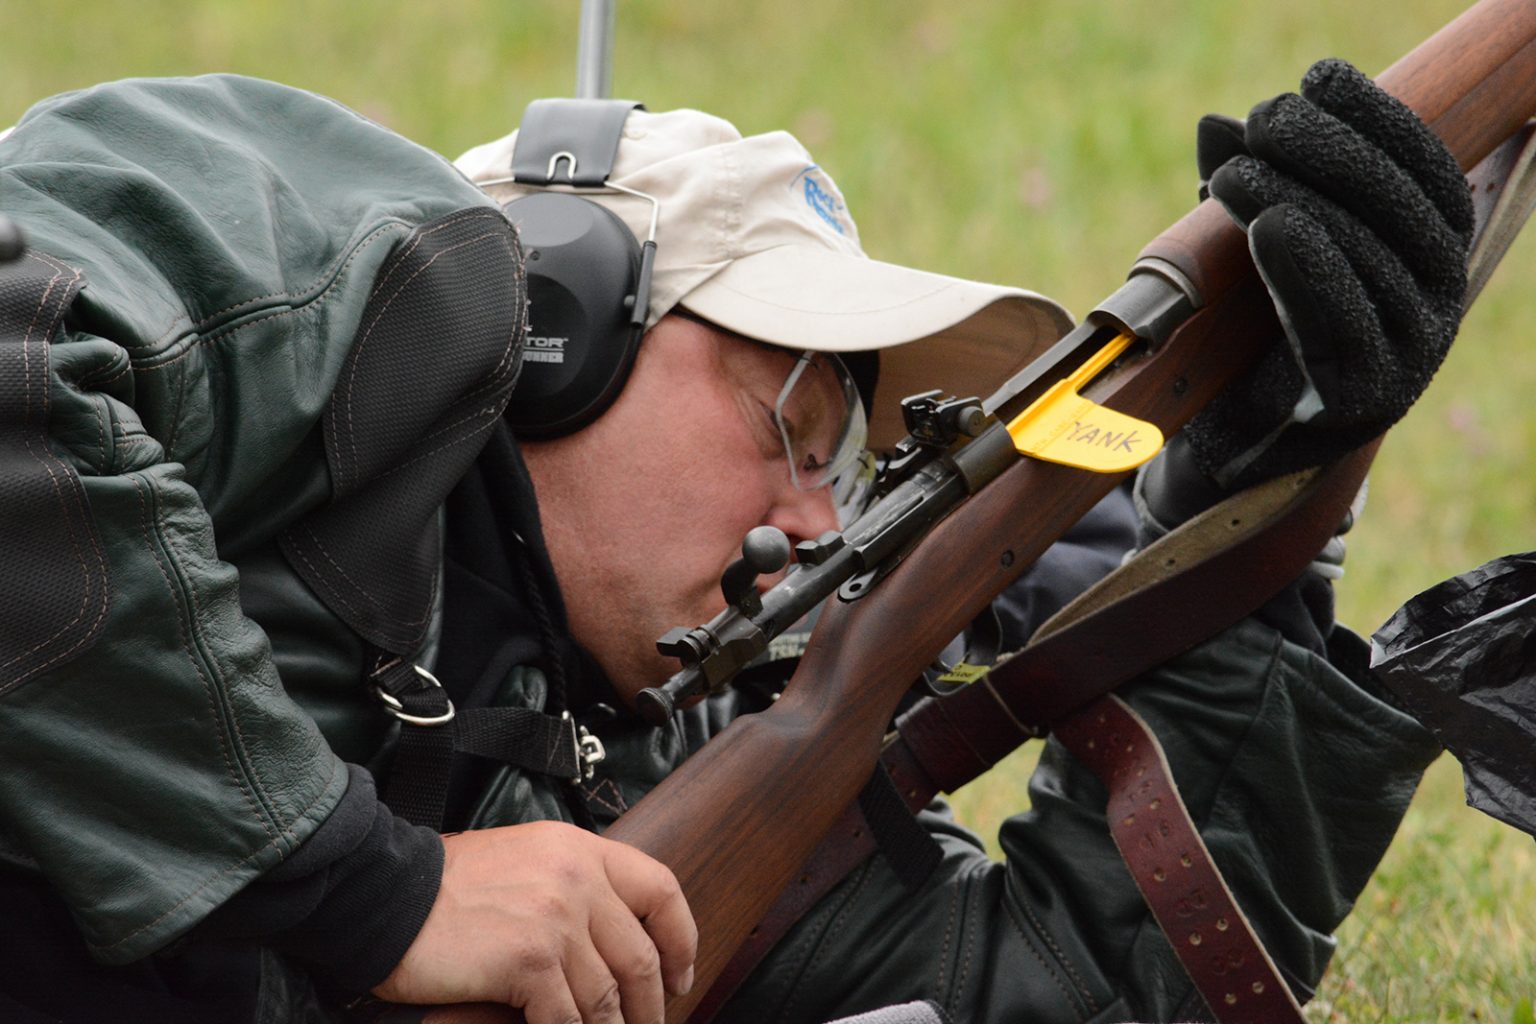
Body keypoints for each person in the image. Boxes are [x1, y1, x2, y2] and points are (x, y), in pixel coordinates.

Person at [0, 55, 1466, 1024]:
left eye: (850, 461)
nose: (820, 518)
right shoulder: (359, 284)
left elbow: (1081, 991)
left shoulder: (667, 779)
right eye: (797, 423)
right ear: (560, 327)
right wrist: (369, 887)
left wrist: (1263, 517)